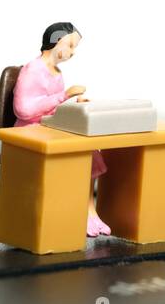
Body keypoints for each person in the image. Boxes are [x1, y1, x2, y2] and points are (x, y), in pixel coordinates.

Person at [12, 22, 111, 237]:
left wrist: (73, 102)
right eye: (71, 46)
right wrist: (64, 96)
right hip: (30, 130)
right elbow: (24, 109)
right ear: (57, 42)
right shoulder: (33, 70)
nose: (73, 53)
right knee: (71, 155)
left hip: (50, 127)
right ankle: (73, 213)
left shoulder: (57, 72)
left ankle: (90, 212)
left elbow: (53, 106)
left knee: (91, 153)